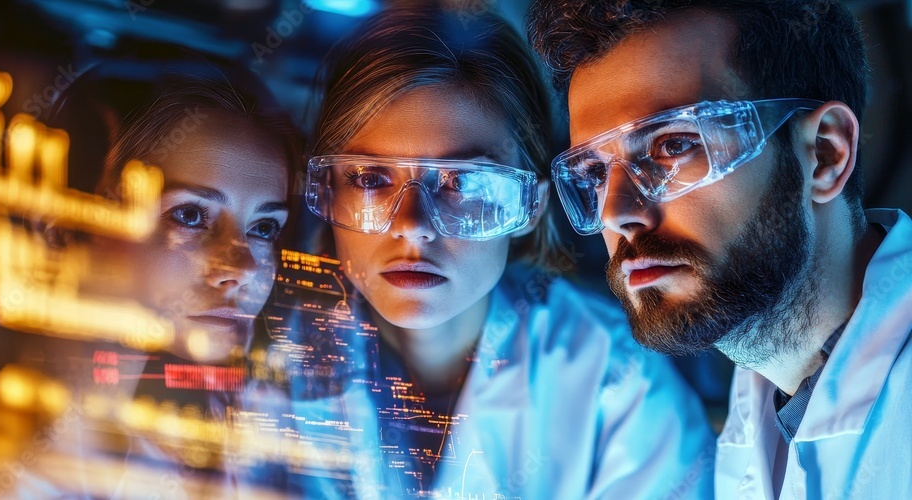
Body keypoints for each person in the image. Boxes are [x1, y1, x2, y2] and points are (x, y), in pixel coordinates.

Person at [295, 5, 715, 498]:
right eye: (369, 178)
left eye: (463, 182)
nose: (412, 226)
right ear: (326, 192)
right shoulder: (274, 352)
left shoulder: (619, 383)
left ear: (531, 206)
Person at [528, 0, 912, 498]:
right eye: (596, 173)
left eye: (673, 145)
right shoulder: (764, 401)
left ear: (824, 154)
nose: (616, 212)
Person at [12, 70, 300, 498]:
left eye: (263, 227)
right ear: (72, 225)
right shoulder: (15, 415)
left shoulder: (278, 418)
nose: (243, 267)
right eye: (190, 215)